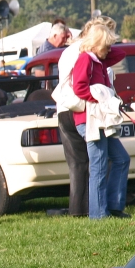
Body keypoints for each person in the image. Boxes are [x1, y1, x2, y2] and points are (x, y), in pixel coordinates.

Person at [47, 15, 115, 217]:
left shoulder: (68, 51)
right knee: (93, 161)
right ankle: (91, 210)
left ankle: (78, 209)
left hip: (64, 108)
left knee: (77, 163)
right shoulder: (88, 54)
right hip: (82, 107)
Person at [72, 22, 130, 219]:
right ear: (96, 45)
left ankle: (114, 206)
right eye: (105, 46)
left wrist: (106, 48)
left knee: (122, 158)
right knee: (98, 166)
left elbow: (119, 55)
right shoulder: (85, 60)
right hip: (89, 120)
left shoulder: (98, 60)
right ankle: (98, 214)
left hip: (100, 120)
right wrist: (101, 97)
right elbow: (79, 88)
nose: (108, 51)